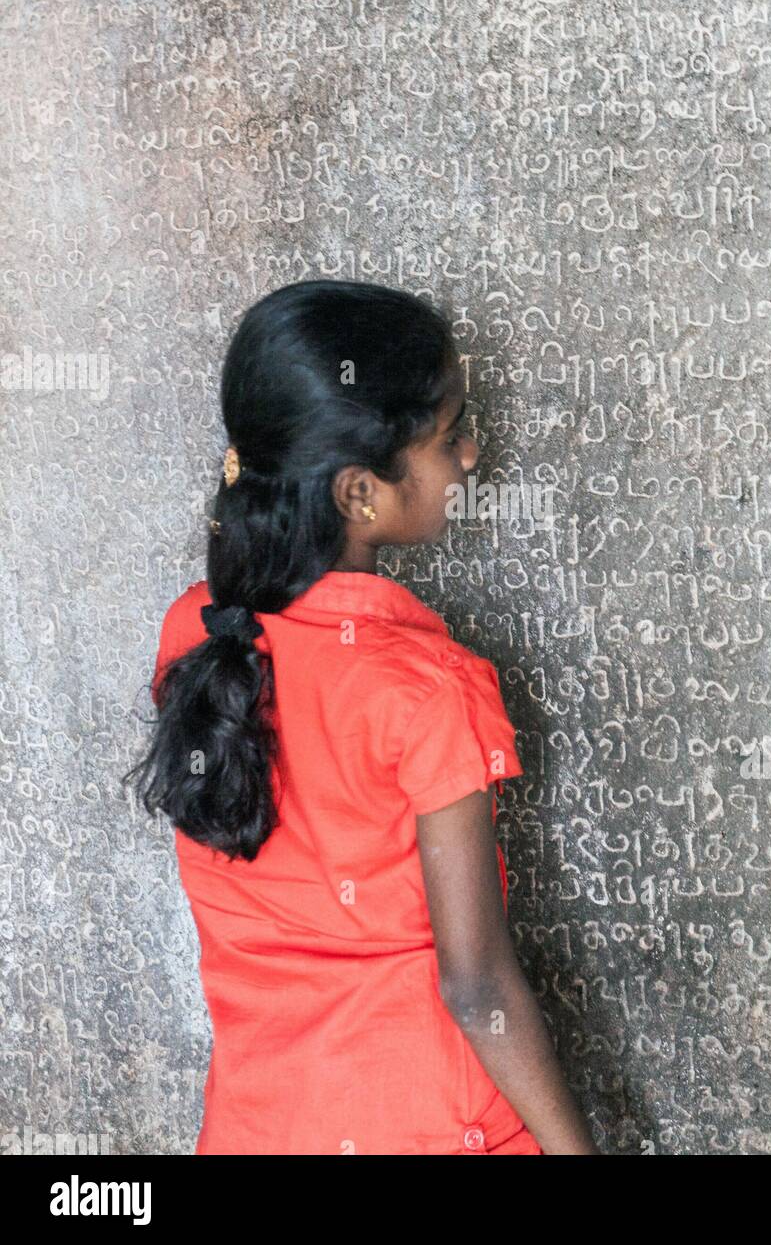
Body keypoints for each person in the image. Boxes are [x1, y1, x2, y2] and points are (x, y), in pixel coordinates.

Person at [123, 279, 601, 1156]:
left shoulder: (193, 633)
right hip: (432, 1129)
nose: (469, 456)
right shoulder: (431, 690)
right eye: (448, 434)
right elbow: (474, 985)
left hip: (259, 1130)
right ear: (357, 494)